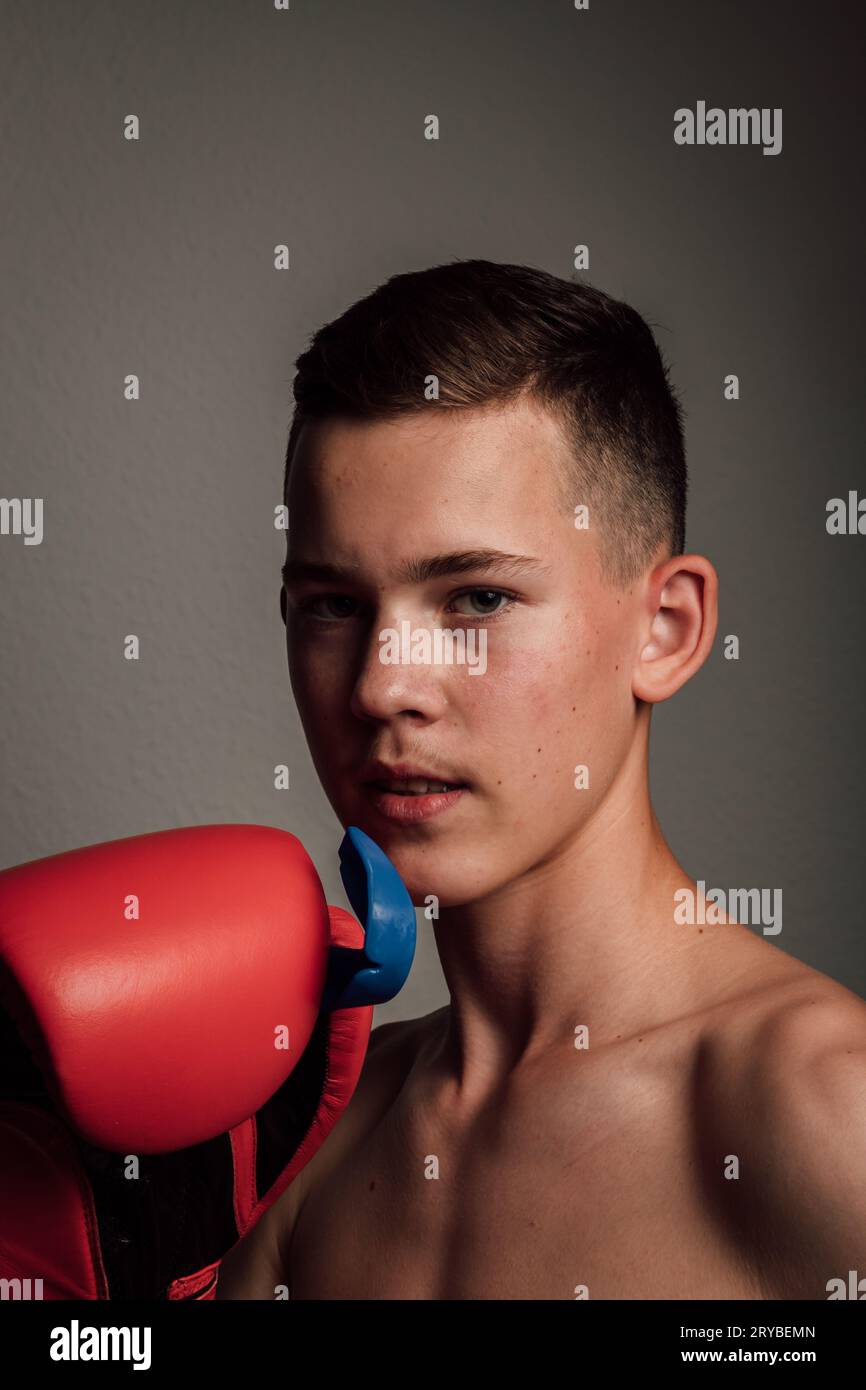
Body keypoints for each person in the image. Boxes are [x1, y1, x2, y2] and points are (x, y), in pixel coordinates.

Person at [217, 259, 866, 1300]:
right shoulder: (319, 1138)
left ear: (666, 629)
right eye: (332, 606)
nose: (383, 685)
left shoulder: (819, 1112)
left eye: (474, 597)